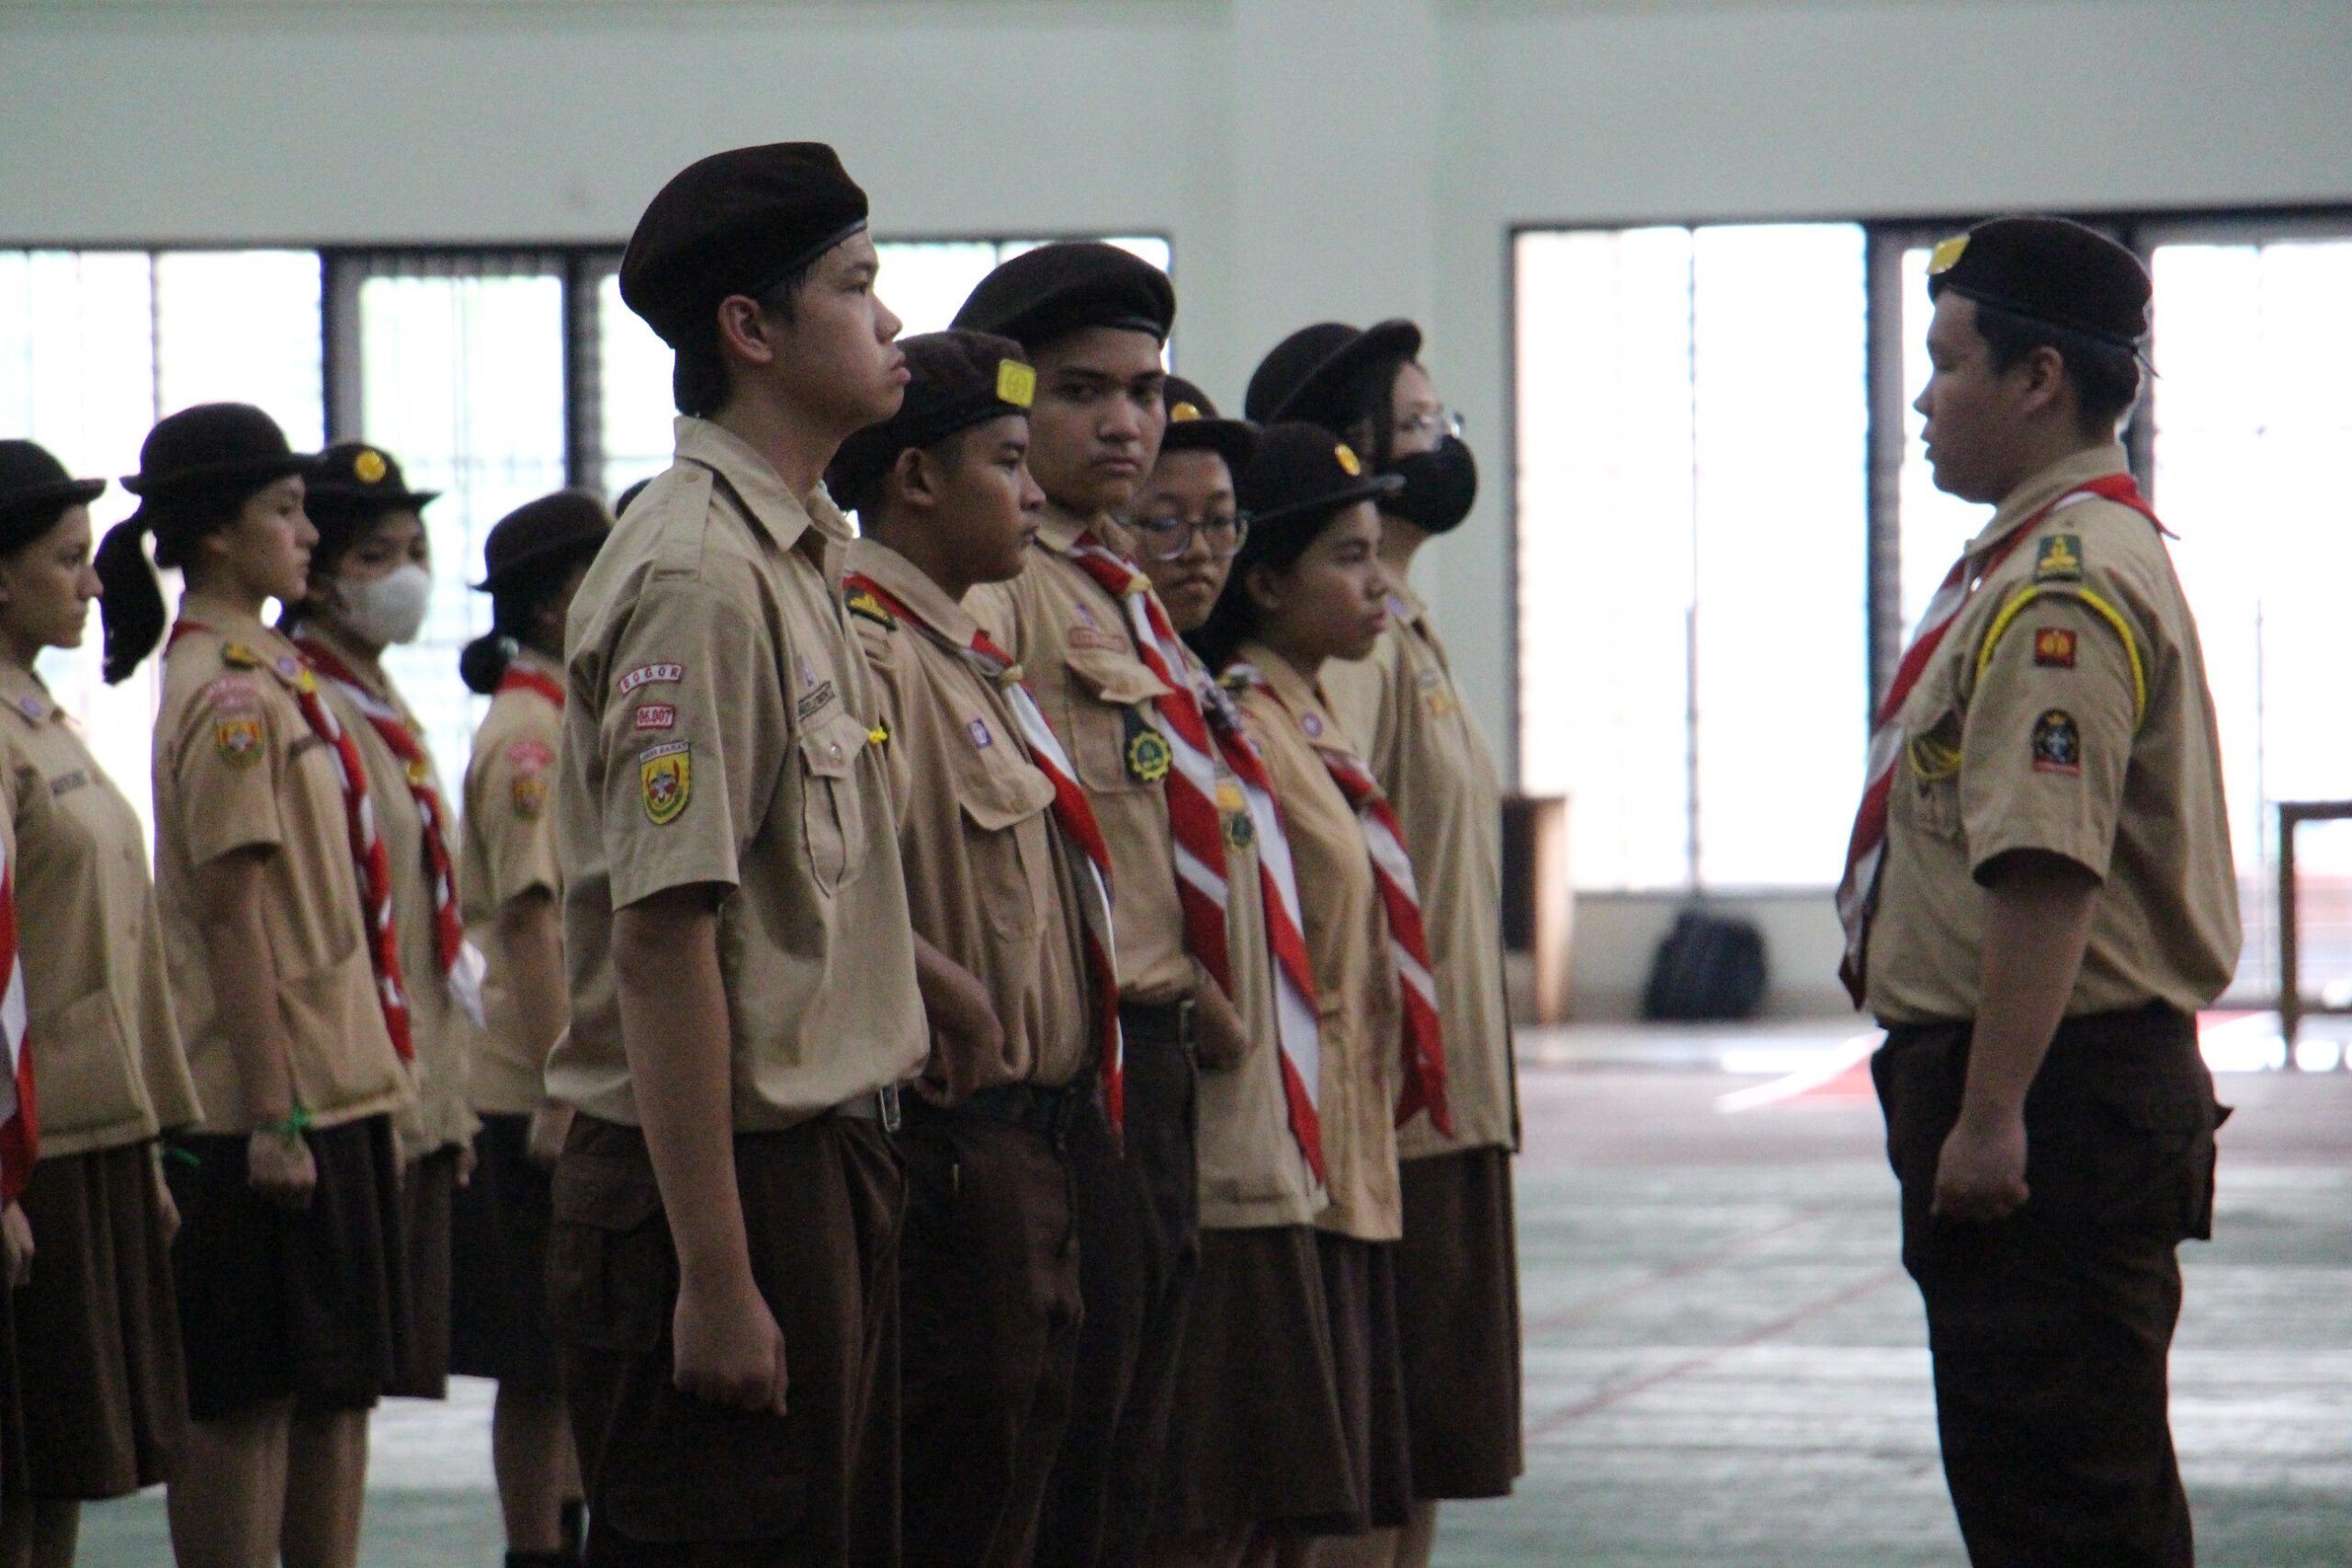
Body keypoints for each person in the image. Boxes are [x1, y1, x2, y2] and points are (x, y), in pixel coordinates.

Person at [1838, 216, 2238, 1568]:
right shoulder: (2046, 558)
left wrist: (1991, 1110)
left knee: (2064, 1507)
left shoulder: (2060, 587)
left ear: (2039, 379)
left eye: (1948, 362)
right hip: (2062, 1086)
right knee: (2064, 1489)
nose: (1922, 399)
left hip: (2053, 1095)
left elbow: (2046, 866)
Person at [547, 142, 923, 1568]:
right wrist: (714, 1275)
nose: (890, 318)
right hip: (720, 1180)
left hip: (812, 1159)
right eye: (857, 286)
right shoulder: (700, 577)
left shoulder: (795, 553)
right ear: (750, 330)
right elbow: (661, 939)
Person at [954, 243, 1248, 1568]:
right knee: (1075, 1445)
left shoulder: (1118, 586)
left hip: (1159, 1051)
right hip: (1076, 1063)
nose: (1128, 421)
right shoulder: (1001, 585)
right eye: (1083, 391)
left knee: (1140, 1433)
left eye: (1146, 390)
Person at [96, 401, 413, 1568]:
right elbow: (236, 917)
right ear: (219, 535)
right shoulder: (227, 692)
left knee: (331, 1392)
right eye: (285, 511)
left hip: (330, 1085)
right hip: (263, 1107)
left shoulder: (271, 671)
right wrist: (275, 1117)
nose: (309, 534)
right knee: (244, 1401)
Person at [1250, 322, 1524, 1562]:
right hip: (1395, 1114)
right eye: (1418, 424)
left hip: (1446, 1099)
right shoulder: (1344, 655)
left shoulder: (1399, 623)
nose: (1445, 444)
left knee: (1421, 1455)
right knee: (1369, 1469)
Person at [826, 330, 1099, 1568]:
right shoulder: (868, 652)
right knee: (949, 1494)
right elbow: (833, 880)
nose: (1035, 491)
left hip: (1028, 1140)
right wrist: (944, 989)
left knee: (1016, 1488)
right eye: (1007, 461)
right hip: (946, 1147)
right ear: (917, 477)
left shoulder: (962, 656)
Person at [1190, 423, 1453, 1568]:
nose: (1377, 582)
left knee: (1339, 1498)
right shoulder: (1241, 727)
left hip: (1354, 1163)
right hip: (1295, 1170)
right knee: (1265, 1515)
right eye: (1349, 557)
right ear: (1264, 582)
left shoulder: (1312, 716)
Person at [1129, 387, 1356, 1568]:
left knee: (1269, 1505)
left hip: (1267, 1144)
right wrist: (1199, 999)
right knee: (1199, 1504)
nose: (1199, 552)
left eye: (1219, 521)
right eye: (1166, 524)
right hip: (1196, 1153)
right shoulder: (1123, 675)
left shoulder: (1196, 685)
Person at [0, 441, 201, 1568]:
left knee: (62, 1461)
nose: (92, 584)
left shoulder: (38, 711)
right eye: (66, 560)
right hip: (27, 1146)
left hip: (88, 1133)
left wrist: (143, 1143)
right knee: (18, 1465)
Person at [282, 442, 480, 1411]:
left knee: (368, 1385)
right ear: (317, 577)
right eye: (374, 557)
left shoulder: (381, 698)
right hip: (350, 1082)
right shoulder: (305, 700)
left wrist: (446, 1099)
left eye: (416, 551)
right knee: (325, 1389)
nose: (407, 577)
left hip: (418, 1079)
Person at [453, 490, 610, 1568]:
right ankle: (534, 1547)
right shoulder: (529, 736)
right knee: (538, 1354)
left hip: (556, 1075)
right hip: (529, 1085)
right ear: (556, 605)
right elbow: (529, 918)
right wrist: (563, 1082)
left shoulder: (561, 716)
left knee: (573, 1349)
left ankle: (568, 1531)